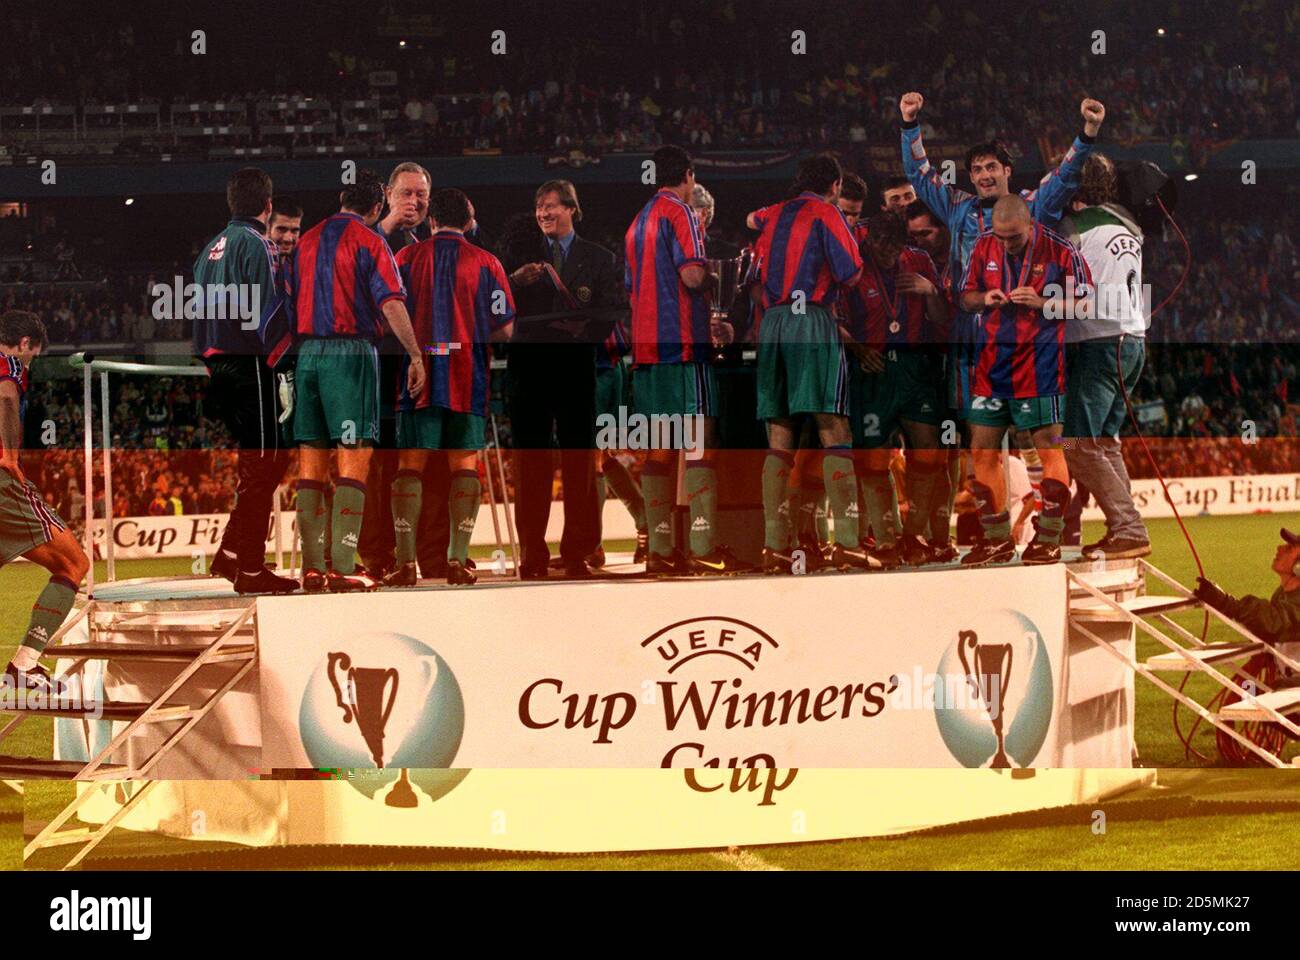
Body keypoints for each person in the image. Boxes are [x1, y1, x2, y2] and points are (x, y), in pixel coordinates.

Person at [287, 169, 426, 592]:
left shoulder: (306, 240)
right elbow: (391, 302)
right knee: (355, 456)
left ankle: (312, 568)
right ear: (377, 207)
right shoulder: (371, 242)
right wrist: (416, 354)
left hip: (308, 354)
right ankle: (344, 564)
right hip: (350, 354)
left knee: (311, 463)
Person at [746, 153, 874, 572]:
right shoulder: (827, 212)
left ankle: (774, 546)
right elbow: (852, 273)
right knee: (833, 425)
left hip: (773, 323)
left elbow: (751, 220)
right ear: (835, 185)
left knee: (779, 435)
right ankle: (850, 543)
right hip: (810, 321)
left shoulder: (773, 214)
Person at [627, 146, 748, 575]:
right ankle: (701, 546)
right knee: (699, 445)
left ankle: (660, 552)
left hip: (646, 353)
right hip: (681, 347)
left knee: (658, 452)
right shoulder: (680, 212)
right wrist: (715, 279)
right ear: (690, 175)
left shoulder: (637, 222)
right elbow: (693, 275)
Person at [385, 188, 515, 586]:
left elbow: (387, 310)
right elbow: (506, 328)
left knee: (411, 466)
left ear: (431, 220)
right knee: (463, 466)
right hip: (466, 373)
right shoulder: (488, 263)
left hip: (418, 371)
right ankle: (457, 560)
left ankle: (405, 563)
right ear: (469, 219)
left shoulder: (406, 258)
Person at [957, 194, 1092, 566]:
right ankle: (997, 539)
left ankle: (1048, 539)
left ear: (1030, 224)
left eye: (1013, 237)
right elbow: (964, 298)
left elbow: (1088, 303)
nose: (1005, 244)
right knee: (981, 452)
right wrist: (985, 297)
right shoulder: (984, 246)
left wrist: (1044, 303)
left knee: (1051, 449)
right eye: (1000, 237)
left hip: (1040, 365)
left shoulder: (1060, 250)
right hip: (991, 366)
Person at [505, 179, 619, 579]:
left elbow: (611, 311)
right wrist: (514, 282)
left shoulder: (600, 258)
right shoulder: (519, 254)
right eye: (539, 207)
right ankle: (532, 555)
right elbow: (495, 304)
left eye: (552, 206)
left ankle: (576, 553)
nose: (543, 214)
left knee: (579, 464)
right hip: (529, 370)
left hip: (575, 368)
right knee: (531, 464)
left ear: (573, 209)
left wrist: (582, 332)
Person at [192, 168, 296, 594]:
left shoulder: (210, 248)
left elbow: (196, 311)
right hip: (253, 364)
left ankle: (232, 555)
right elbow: (267, 313)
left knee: (259, 463)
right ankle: (251, 570)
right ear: (267, 206)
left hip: (219, 364)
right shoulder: (258, 245)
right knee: (266, 462)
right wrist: (287, 363)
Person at [840, 211, 949, 567]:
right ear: (870, 241)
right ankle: (886, 539)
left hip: (917, 368)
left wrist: (930, 290)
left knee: (929, 452)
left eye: (894, 248)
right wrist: (856, 349)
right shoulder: (853, 263)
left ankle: (915, 535)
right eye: (881, 248)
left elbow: (943, 318)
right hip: (873, 370)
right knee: (872, 460)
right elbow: (832, 317)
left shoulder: (919, 261)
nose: (888, 255)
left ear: (905, 243)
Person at [1060, 153, 1152, 560]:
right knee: (1106, 443)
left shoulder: (1073, 227)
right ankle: (1125, 530)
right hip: (1133, 341)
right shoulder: (1131, 228)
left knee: (1078, 446)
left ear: (1074, 196)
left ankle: (1129, 528)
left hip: (1101, 341)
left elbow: (1063, 286)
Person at [0, 310, 89, 695]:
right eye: (33, 353)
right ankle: (25, 664)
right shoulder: (10, 364)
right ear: (24, 345)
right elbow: (5, 400)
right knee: (75, 562)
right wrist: (10, 456)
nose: (31, 360)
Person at [1196, 529, 1300, 648]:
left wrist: (1227, 603)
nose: (1279, 548)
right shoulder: (1281, 593)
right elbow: (1271, 636)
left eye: (1289, 549)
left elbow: (1274, 623)